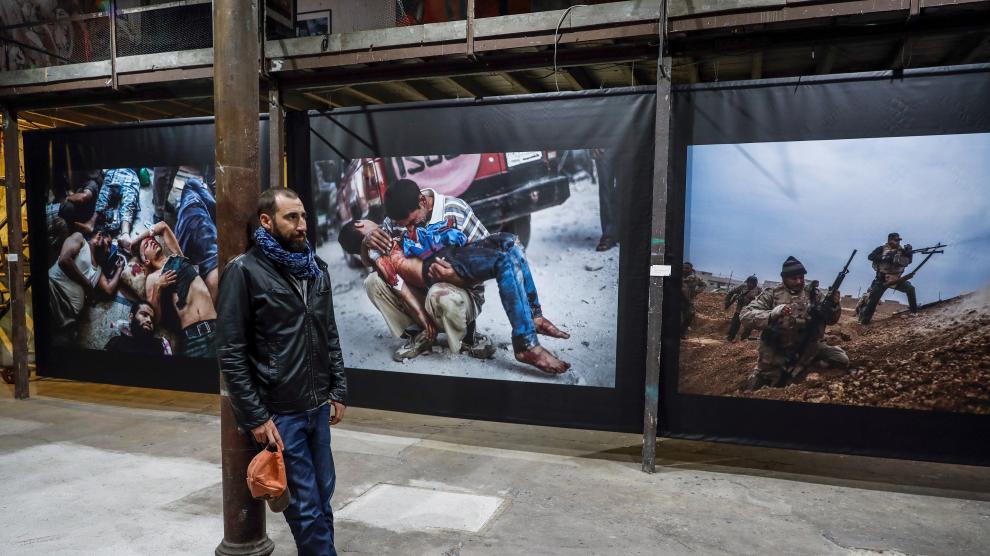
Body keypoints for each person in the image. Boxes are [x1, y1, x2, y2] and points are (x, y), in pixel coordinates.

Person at [218, 188, 347, 556]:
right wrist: (256, 416)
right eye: (291, 217)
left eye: (303, 216)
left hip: (317, 407)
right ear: (266, 221)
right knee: (305, 507)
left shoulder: (315, 269)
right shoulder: (244, 271)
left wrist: (338, 388)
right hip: (281, 414)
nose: (302, 224)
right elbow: (230, 352)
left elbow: (329, 332)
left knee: (323, 497)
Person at [340, 220, 571, 374]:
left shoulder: (390, 225)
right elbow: (397, 285)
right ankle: (524, 342)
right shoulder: (377, 251)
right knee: (502, 262)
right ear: (361, 224)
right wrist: (424, 321)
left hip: (453, 264)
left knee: (511, 241)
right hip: (438, 276)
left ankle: (534, 317)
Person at [361, 178, 494, 361]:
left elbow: (490, 257)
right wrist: (365, 243)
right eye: (403, 225)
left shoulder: (455, 210)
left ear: (423, 201)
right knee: (373, 282)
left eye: (412, 221)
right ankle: (421, 335)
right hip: (419, 295)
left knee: (438, 292)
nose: (408, 229)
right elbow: (371, 262)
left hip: (460, 294)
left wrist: (456, 276)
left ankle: (468, 336)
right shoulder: (394, 222)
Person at [740, 256, 849, 390]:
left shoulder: (814, 294)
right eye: (794, 278)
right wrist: (772, 314)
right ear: (784, 278)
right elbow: (745, 315)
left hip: (810, 347)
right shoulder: (772, 294)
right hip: (777, 352)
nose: (799, 281)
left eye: (801, 277)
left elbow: (831, 320)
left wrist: (834, 306)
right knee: (762, 383)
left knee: (840, 359)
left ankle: (805, 371)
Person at [121, 221, 217, 358]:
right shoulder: (153, 278)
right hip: (193, 340)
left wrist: (137, 240)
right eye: (146, 246)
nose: (151, 242)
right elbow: (154, 317)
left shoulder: (178, 256)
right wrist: (158, 287)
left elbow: (163, 226)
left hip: (217, 328)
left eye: (152, 240)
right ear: (146, 260)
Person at [48, 230, 124, 331]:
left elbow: (109, 289)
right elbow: (64, 260)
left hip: (68, 314)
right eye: (108, 244)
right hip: (53, 291)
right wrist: (87, 284)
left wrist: (119, 269)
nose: (108, 250)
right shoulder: (80, 239)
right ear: (99, 235)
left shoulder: (99, 270)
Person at [174, 177, 219, 300]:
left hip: (192, 224)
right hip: (195, 225)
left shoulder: (191, 186)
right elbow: (214, 206)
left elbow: (213, 206)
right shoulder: (193, 183)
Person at [858, 232, 918, 324]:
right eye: (895, 240)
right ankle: (864, 322)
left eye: (898, 240)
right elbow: (870, 257)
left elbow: (908, 262)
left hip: (895, 278)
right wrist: (886, 257)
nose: (898, 242)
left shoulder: (901, 251)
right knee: (873, 300)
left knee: (910, 289)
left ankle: (914, 312)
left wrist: (909, 254)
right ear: (890, 240)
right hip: (882, 279)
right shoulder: (881, 249)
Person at [104, 300, 172, 355]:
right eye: (144, 315)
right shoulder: (116, 343)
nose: (149, 320)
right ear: (131, 318)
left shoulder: (158, 347)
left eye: (152, 319)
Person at [94, 168, 142, 238]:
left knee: (128, 200)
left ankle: (125, 233)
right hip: (114, 171)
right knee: (104, 194)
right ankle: (92, 221)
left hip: (129, 172)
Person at [591, 148, 618, 251]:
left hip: (629, 143)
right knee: (605, 188)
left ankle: (624, 231)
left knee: (628, 186)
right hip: (604, 144)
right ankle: (608, 235)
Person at [724, 275, 761, 342]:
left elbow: (762, 300)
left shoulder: (759, 290)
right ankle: (730, 337)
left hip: (751, 311)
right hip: (740, 309)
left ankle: (744, 339)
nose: (749, 285)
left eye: (751, 283)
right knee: (735, 324)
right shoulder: (742, 286)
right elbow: (731, 292)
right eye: (748, 283)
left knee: (749, 326)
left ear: (755, 284)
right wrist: (727, 302)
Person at [680, 262, 707, 339]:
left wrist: (696, 292)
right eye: (683, 267)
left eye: (687, 268)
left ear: (691, 269)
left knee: (689, 316)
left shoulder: (695, 278)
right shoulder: (678, 275)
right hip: (676, 299)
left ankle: (682, 333)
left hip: (688, 300)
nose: (684, 269)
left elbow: (704, 285)